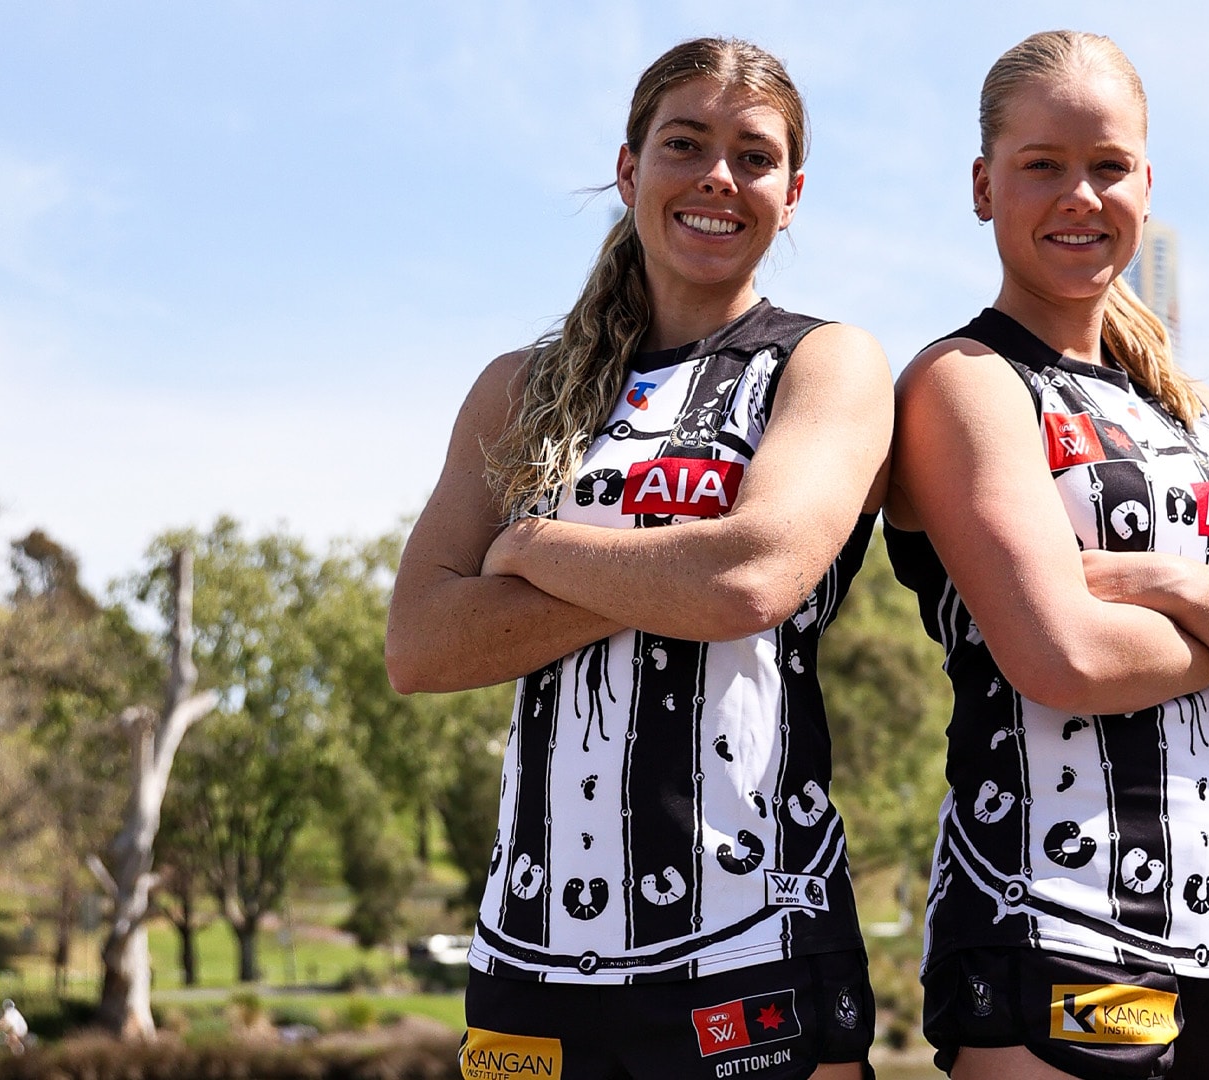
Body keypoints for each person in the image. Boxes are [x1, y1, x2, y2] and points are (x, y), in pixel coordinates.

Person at [386, 37, 891, 1080]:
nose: (719, 177)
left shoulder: (826, 362)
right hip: (528, 956)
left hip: (757, 939)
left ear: (792, 195)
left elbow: (751, 582)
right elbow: (422, 644)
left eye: (753, 157)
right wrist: (681, 577)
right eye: (685, 144)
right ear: (629, 171)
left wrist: (531, 547)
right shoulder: (517, 390)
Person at [883, 30, 1209, 1080]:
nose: (1080, 196)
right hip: (1042, 920)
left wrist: (1166, 583)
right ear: (983, 186)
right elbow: (1065, 658)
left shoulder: (1197, 412)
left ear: (1147, 184)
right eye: (1042, 165)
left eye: (1108, 166)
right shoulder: (964, 383)